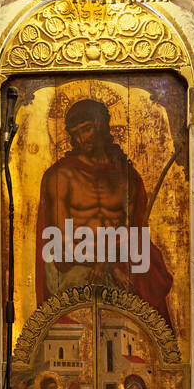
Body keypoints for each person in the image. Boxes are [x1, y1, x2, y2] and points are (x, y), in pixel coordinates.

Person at [35, 98, 175, 328]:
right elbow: (58, 241)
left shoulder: (125, 175)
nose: (82, 139)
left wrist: (110, 262)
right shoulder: (61, 176)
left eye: (87, 129)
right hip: (75, 262)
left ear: (102, 124)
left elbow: (133, 231)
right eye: (76, 133)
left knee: (146, 269)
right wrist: (100, 263)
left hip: (118, 258)